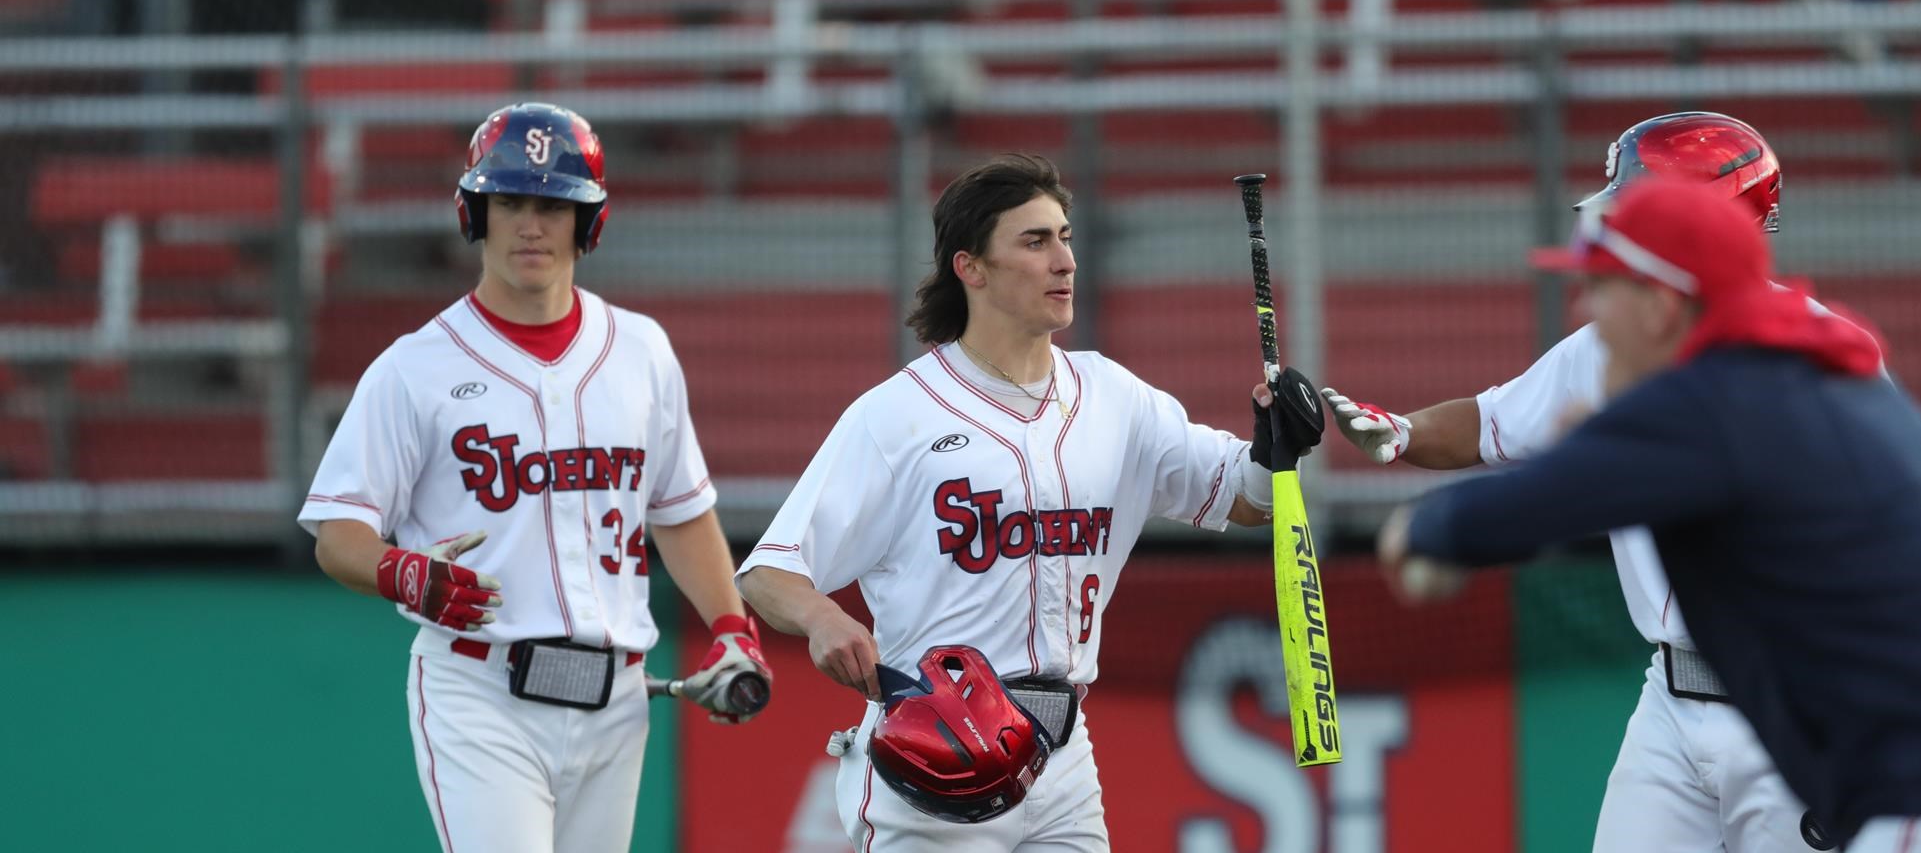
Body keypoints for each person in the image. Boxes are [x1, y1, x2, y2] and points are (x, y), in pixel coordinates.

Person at [735, 153, 1312, 851]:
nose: (1063, 260)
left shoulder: (1114, 399)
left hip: (1063, 759)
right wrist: (822, 617)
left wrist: (1277, 444)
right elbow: (768, 571)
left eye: (1064, 237)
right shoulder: (895, 416)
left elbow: (1245, 500)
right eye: (1034, 242)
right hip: (937, 756)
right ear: (970, 268)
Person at [1320, 112, 1852, 852]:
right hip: (1671, 696)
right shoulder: (1625, 332)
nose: (1614, 239)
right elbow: (1491, 421)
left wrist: (1447, 530)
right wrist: (1402, 431)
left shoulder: (1812, 360)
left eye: (1640, 209)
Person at [297, 102, 772, 853]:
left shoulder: (641, 349)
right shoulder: (413, 367)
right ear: (474, 213)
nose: (530, 224)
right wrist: (401, 572)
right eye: (510, 201)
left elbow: (679, 512)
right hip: (479, 689)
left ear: (589, 223)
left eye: (553, 205)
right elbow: (338, 531)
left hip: (616, 696)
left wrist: (729, 628)